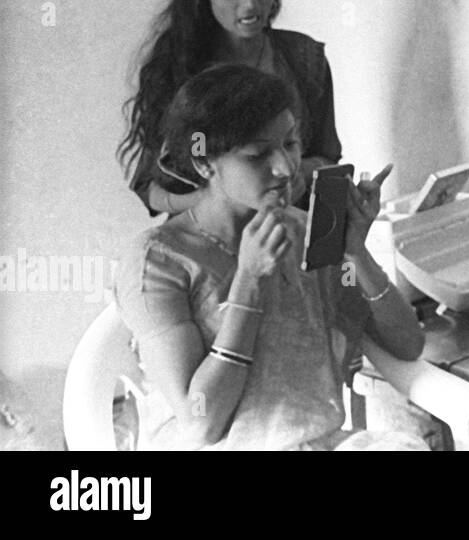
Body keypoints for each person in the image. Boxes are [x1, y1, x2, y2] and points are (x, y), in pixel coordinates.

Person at [114, 64, 426, 450]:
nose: (286, 167)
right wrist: (247, 285)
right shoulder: (158, 261)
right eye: (258, 154)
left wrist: (355, 253)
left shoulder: (303, 232)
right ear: (203, 162)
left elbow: (407, 344)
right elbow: (200, 427)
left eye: (291, 144)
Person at [120, 0, 342, 215]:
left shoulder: (303, 58)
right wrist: (216, 198)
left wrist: (300, 174)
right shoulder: (182, 69)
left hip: (290, 231)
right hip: (209, 239)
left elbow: (328, 157)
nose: (250, 3)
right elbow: (151, 188)